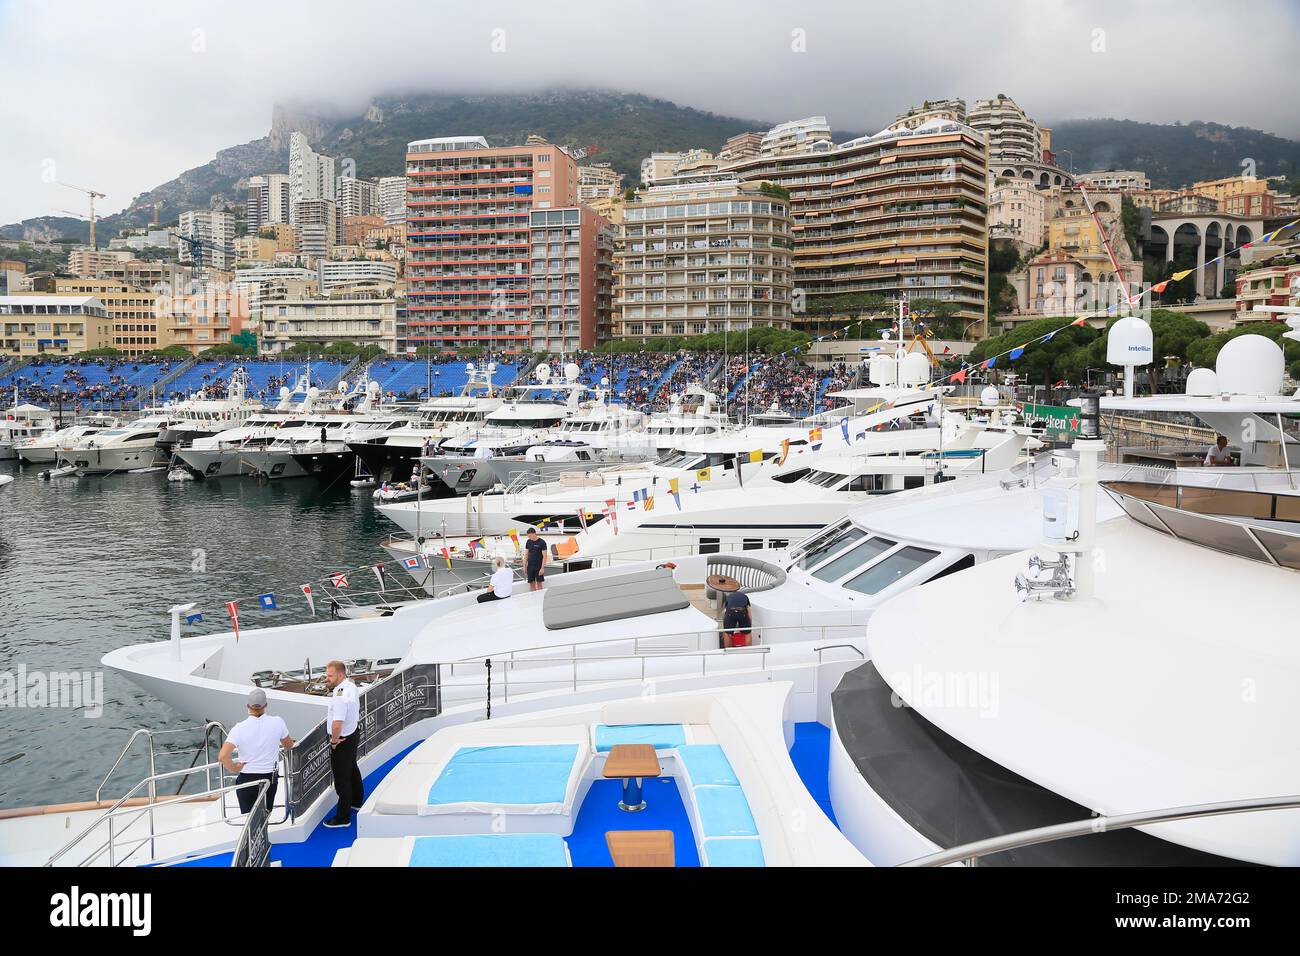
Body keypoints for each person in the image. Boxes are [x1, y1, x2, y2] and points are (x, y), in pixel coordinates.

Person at [219, 689, 294, 815]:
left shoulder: (239, 728)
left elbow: (223, 756)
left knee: (249, 818)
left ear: (248, 706)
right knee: (265, 814)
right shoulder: (277, 722)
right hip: (269, 777)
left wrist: (234, 768)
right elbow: (289, 745)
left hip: (247, 778)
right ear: (266, 705)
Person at [321, 660, 363, 828]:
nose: (327, 679)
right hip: (353, 734)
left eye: (330, 676)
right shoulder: (350, 686)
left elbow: (337, 724)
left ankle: (343, 818)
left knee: (341, 780)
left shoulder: (340, 695)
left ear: (340, 675)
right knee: (352, 768)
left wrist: (333, 741)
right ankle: (357, 801)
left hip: (342, 740)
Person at [524, 527, 548, 591]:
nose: (529, 538)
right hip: (530, 566)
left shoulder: (542, 542)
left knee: (539, 583)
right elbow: (526, 555)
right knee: (531, 583)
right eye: (528, 536)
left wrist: (542, 568)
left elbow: (545, 556)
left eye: (530, 536)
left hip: (538, 566)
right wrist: (524, 566)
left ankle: (540, 596)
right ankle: (532, 597)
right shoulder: (528, 541)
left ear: (534, 533)